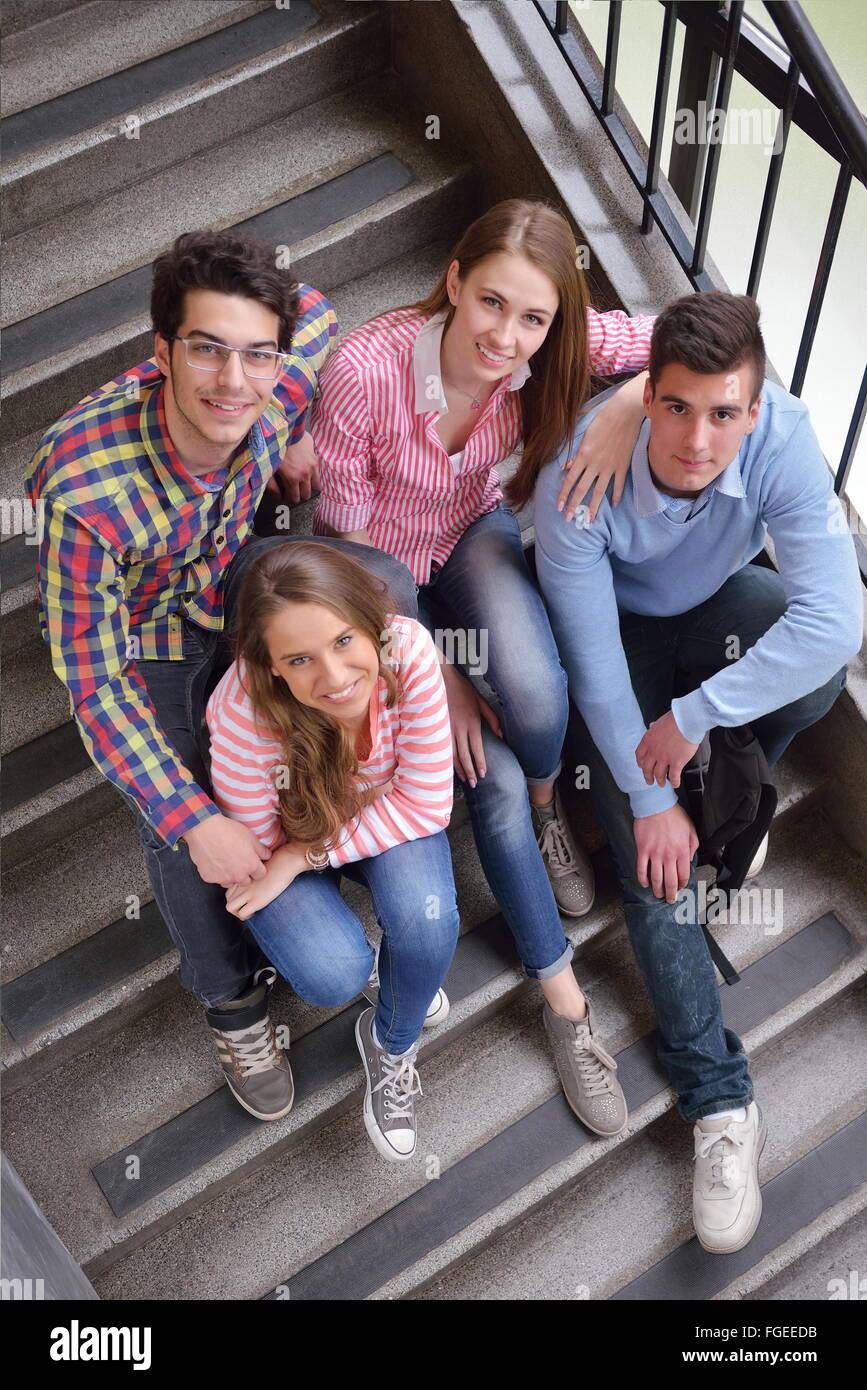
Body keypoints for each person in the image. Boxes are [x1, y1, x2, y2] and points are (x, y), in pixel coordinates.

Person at [24, 228, 418, 1123]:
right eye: (206, 349)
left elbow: (312, 309)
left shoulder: (276, 388)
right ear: (161, 352)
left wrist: (296, 440)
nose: (234, 382)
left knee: (379, 589)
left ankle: (369, 796)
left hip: (230, 577)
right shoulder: (84, 493)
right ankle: (233, 1004)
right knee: (178, 822)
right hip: (146, 635)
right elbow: (92, 680)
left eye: (255, 355)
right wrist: (193, 816)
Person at [310, 198, 655, 1134]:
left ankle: (551, 812)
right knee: (487, 774)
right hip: (372, 581)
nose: (507, 336)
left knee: (539, 699)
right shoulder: (366, 373)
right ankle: (569, 1010)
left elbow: (694, 332)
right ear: (455, 282)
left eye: (534, 318)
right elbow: (341, 555)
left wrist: (625, 401)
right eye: (492, 303)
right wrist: (437, 671)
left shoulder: (547, 356)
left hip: (469, 534)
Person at [531, 290, 863, 1252]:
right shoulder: (579, 481)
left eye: (723, 414)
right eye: (673, 407)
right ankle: (720, 1102)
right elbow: (591, 667)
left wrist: (694, 718)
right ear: (648, 394)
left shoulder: (782, 433)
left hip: (717, 608)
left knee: (809, 666)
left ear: (755, 411)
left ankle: (731, 804)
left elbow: (837, 624)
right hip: (620, 635)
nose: (696, 437)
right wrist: (646, 799)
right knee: (655, 866)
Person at [205, 543, 458, 1161]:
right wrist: (293, 856)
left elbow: (426, 804)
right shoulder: (243, 714)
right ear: (271, 668)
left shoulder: (409, 651)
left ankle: (391, 1044)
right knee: (329, 974)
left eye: (345, 641)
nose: (336, 677)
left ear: (372, 625)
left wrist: (305, 855)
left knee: (426, 923)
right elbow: (263, 846)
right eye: (300, 659)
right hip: (289, 838)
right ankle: (376, 972)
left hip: (370, 820)